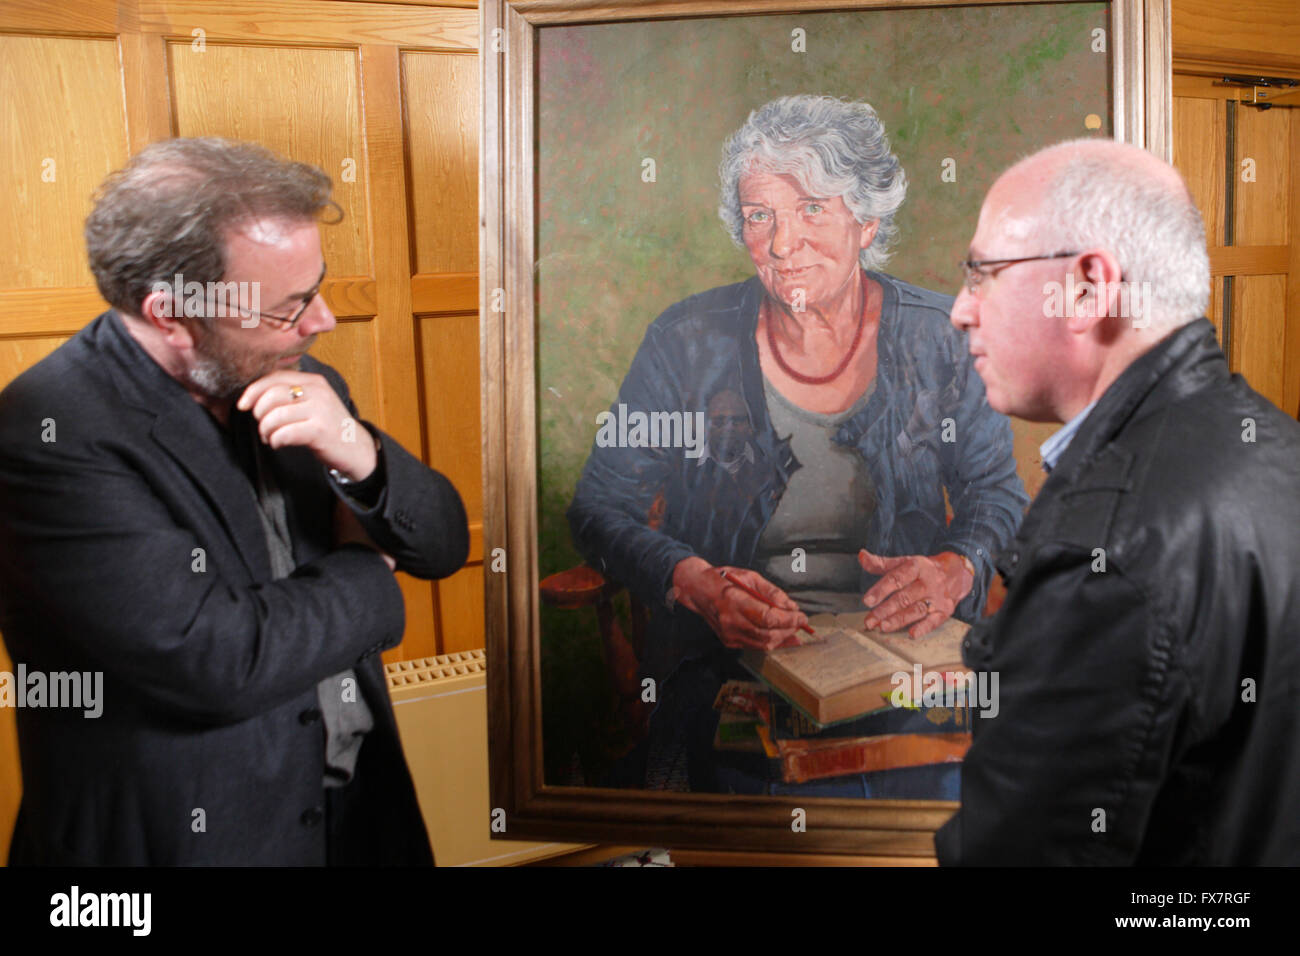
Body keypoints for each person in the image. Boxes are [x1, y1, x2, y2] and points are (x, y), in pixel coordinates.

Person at [0, 138, 469, 865]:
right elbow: (219, 662)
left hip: (359, 823)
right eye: (290, 307)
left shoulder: (292, 374)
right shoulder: (44, 434)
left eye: (314, 288)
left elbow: (441, 548)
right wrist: (368, 568)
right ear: (172, 315)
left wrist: (364, 456)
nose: (322, 324)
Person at [567, 95, 1027, 796]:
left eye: (812, 208)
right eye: (761, 217)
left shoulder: (942, 338)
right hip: (726, 665)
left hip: (906, 662)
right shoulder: (686, 341)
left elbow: (997, 495)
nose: (782, 245)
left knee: (950, 800)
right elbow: (598, 509)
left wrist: (956, 568)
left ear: (867, 220)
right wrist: (697, 584)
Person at [936, 138, 1300, 864]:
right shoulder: (1275, 446)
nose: (959, 310)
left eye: (983, 274)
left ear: (1087, 287)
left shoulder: (1103, 550)